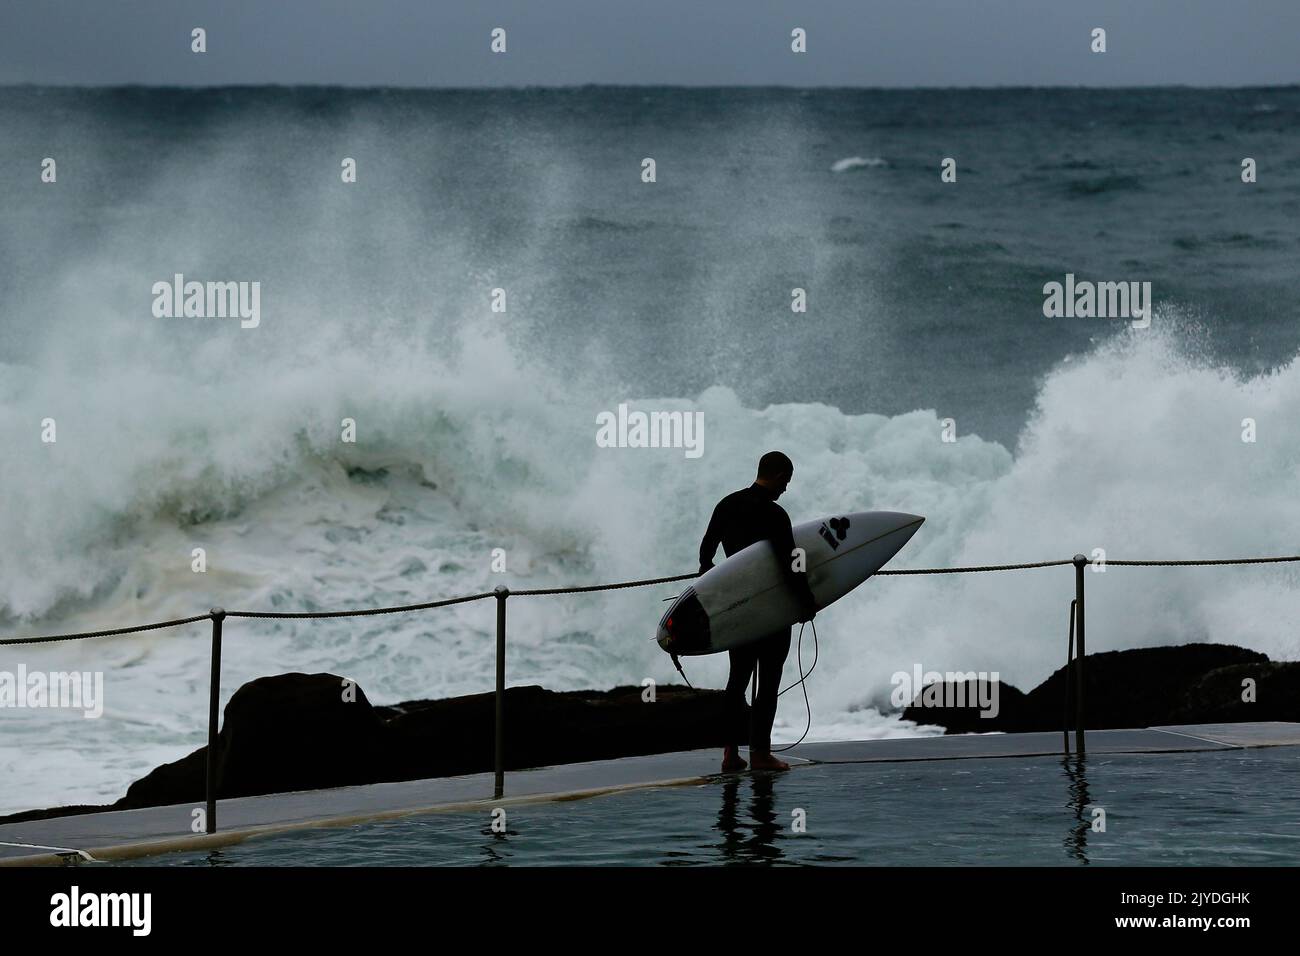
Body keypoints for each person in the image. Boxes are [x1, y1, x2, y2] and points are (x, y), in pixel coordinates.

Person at [698, 451, 816, 773]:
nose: (786, 489)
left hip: (739, 609)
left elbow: (706, 552)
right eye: (786, 482)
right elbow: (791, 563)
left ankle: (730, 754)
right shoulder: (775, 514)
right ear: (778, 476)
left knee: (737, 682)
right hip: (773, 609)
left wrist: (712, 583)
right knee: (767, 684)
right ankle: (761, 755)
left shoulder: (727, 505)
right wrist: (806, 602)